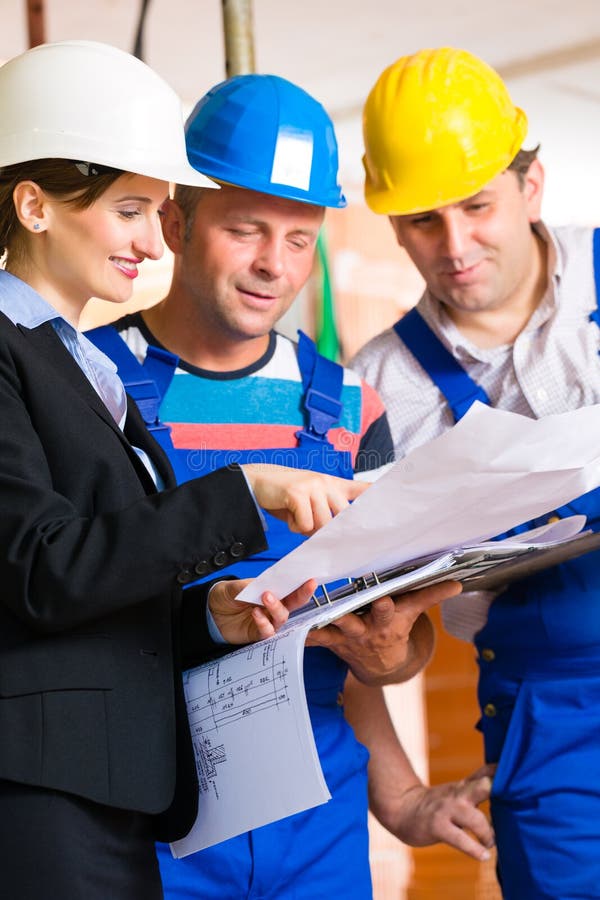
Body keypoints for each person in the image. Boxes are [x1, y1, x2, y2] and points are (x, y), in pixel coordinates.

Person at [89, 73, 493, 899]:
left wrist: (390, 664)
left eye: (300, 239)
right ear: (175, 220)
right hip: (145, 829)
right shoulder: (88, 387)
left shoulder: (349, 408)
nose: (274, 265)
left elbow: (387, 643)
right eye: (245, 230)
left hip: (318, 831)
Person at [0, 41, 370, 900]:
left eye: (155, 211)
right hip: (43, 797)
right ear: (34, 205)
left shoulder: (67, 366)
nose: (149, 244)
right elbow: (37, 567)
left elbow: (95, 596)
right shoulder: (14, 355)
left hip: (116, 792)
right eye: (131, 210)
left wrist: (211, 618)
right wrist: (246, 488)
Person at [353, 46, 600, 900]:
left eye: (476, 205)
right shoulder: (379, 388)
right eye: (423, 219)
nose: (455, 247)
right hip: (551, 725)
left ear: (531, 185)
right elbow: (348, 626)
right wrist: (404, 799)